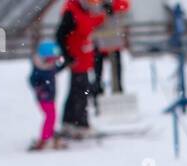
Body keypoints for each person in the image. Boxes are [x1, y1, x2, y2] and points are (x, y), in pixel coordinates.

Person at [56, 0, 106, 136]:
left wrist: (106, 13)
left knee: (76, 91)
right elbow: (60, 36)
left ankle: (69, 122)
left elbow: (93, 22)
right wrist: (68, 57)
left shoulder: (85, 12)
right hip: (76, 60)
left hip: (84, 59)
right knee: (81, 92)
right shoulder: (71, 13)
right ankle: (80, 124)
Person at [27, 41, 67, 151]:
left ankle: (49, 133)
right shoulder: (39, 68)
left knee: (52, 116)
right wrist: (40, 89)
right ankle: (45, 138)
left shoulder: (50, 66)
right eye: (52, 59)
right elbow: (32, 80)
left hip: (51, 96)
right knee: (50, 116)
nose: (54, 62)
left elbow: (57, 69)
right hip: (44, 97)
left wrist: (67, 64)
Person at [94, 0, 130, 96]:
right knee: (98, 69)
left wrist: (113, 7)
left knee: (116, 68)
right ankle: (98, 89)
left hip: (114, 39)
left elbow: (124, 6)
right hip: (100, 40)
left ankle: (117, 89)